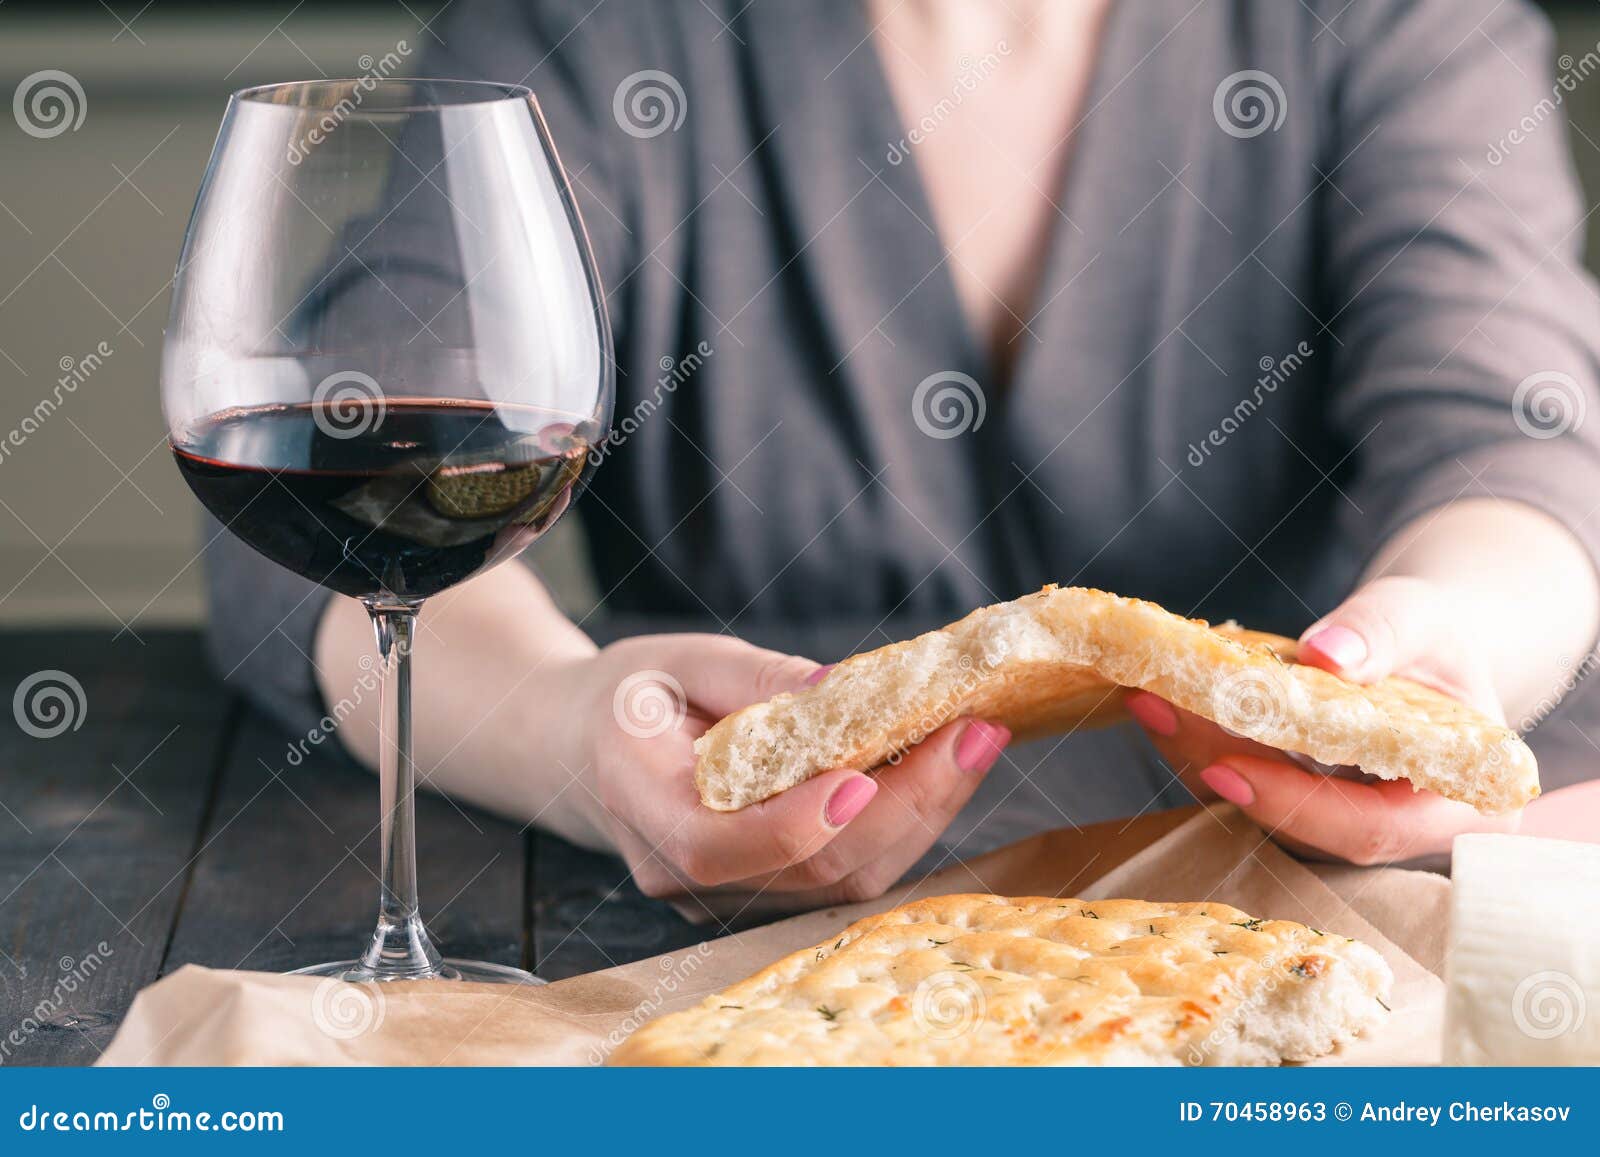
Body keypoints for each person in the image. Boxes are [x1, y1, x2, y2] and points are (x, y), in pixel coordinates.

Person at [208, 0, 1600, 916]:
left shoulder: (1393, 23)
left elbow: (1520, 443)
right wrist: (578, 724)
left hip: (1294, 916)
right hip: (709, 960)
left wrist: (1432, 657)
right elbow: (354, 481)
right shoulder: (599, 30)